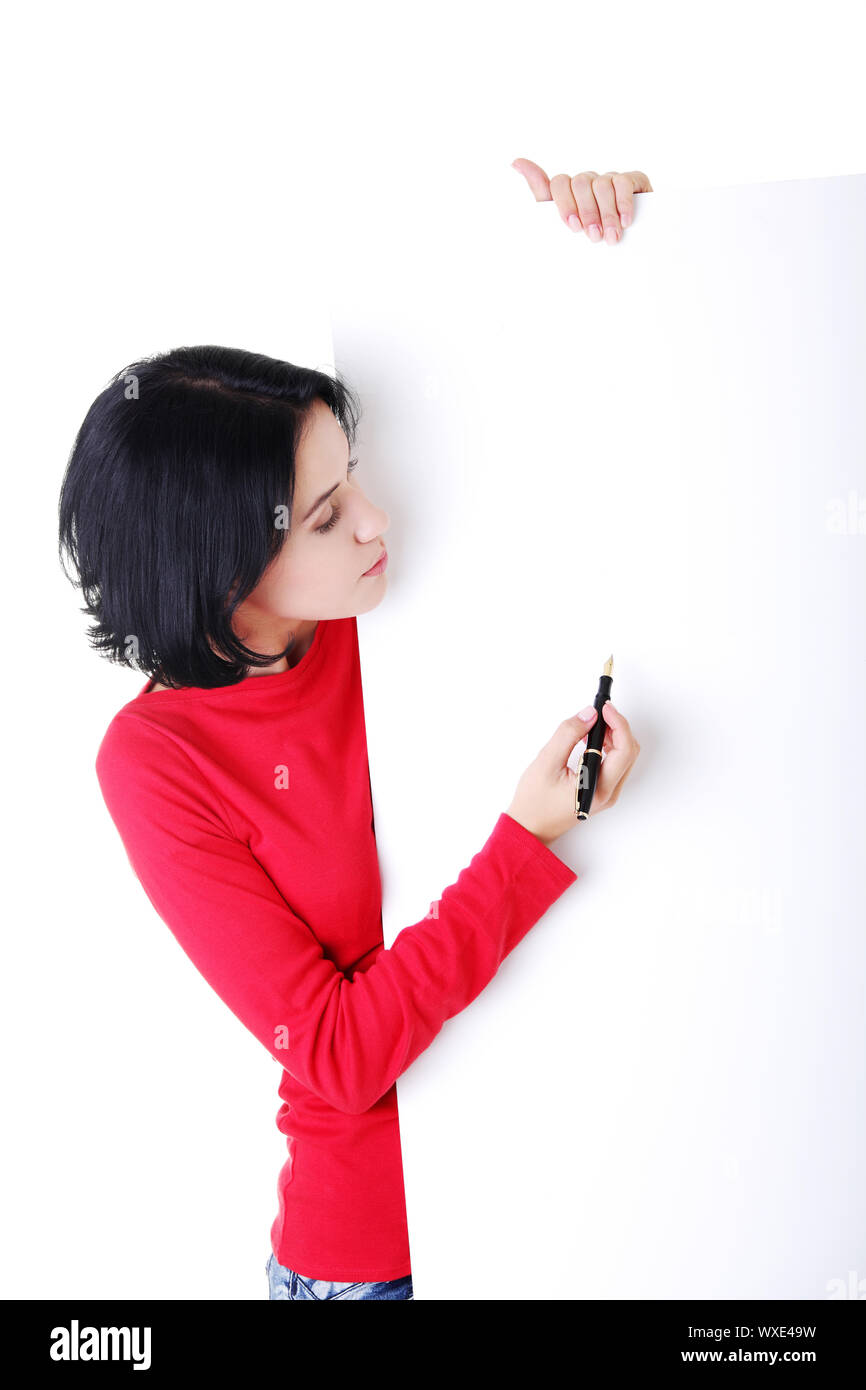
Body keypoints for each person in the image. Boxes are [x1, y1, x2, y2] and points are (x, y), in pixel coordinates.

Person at [58, 162, 646, 1302]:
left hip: (582, 1187)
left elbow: (569, 436)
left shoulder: (391, 610)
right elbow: (332, 1050)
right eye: (327, 516)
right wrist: (526, 838)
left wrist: (588, 241)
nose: (377, 522)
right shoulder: (156, 763)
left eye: (355, 480)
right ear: (223, 572)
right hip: (379, 1262)